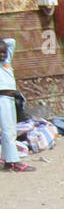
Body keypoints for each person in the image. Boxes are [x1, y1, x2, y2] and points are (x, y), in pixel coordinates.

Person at [0, 38, 33, 172]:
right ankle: (14, 161)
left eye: (4, 52)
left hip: (9, 99)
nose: (3, 55)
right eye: (0, 53)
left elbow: (12, 41)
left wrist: (2, 44)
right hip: (1, 99)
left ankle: (9, 161)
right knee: (8, 131)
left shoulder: (6, 62)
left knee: (11, 130)